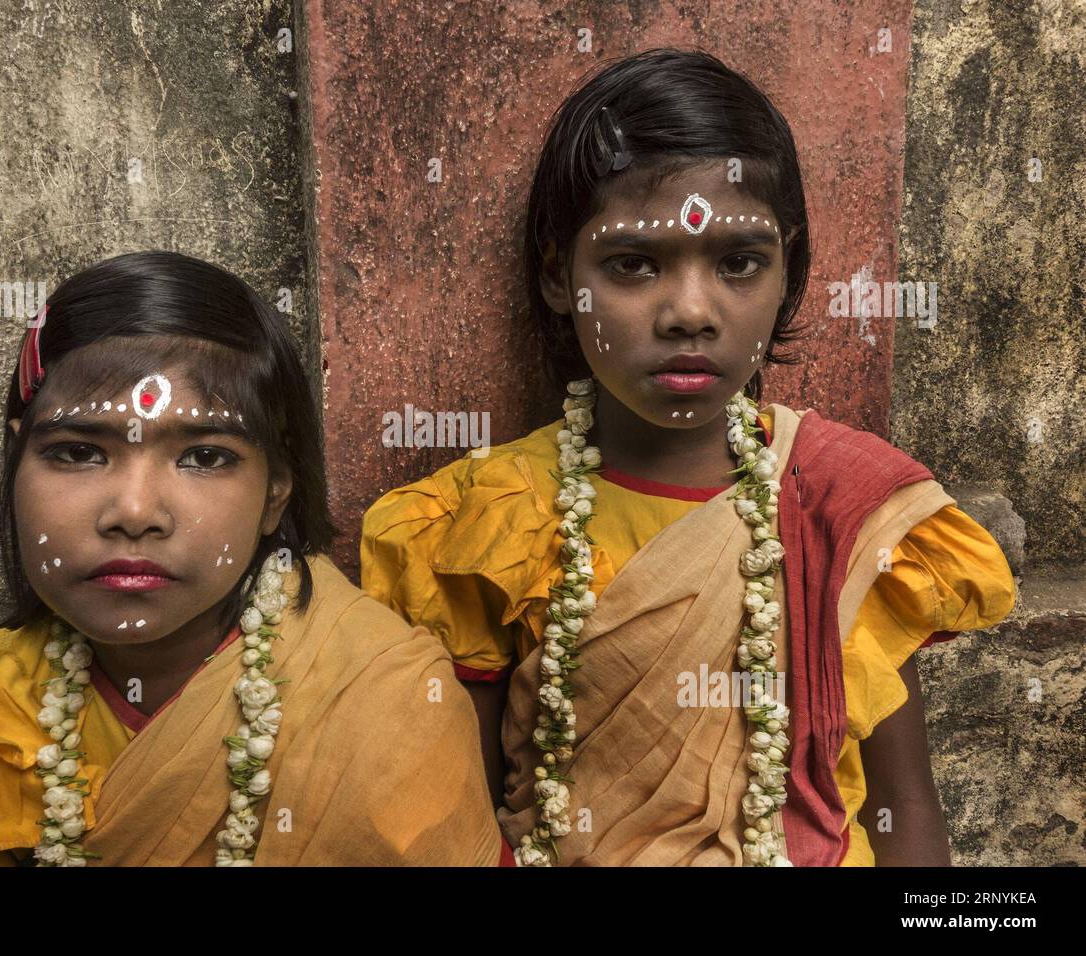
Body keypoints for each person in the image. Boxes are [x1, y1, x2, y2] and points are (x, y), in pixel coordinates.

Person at [361, 50, 1017, 866]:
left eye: (739, 263)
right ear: (558, 276)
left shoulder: (850, 504)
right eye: (633, 264)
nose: (690, 313)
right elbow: (464, 825)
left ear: (791, 274)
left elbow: (905, 806)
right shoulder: (486, 521)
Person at [0, 250, 506, 866]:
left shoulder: (384, 706)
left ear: (275, 493)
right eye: (78, 452)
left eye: (205, 457)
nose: (133, 511)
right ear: (16, 461)